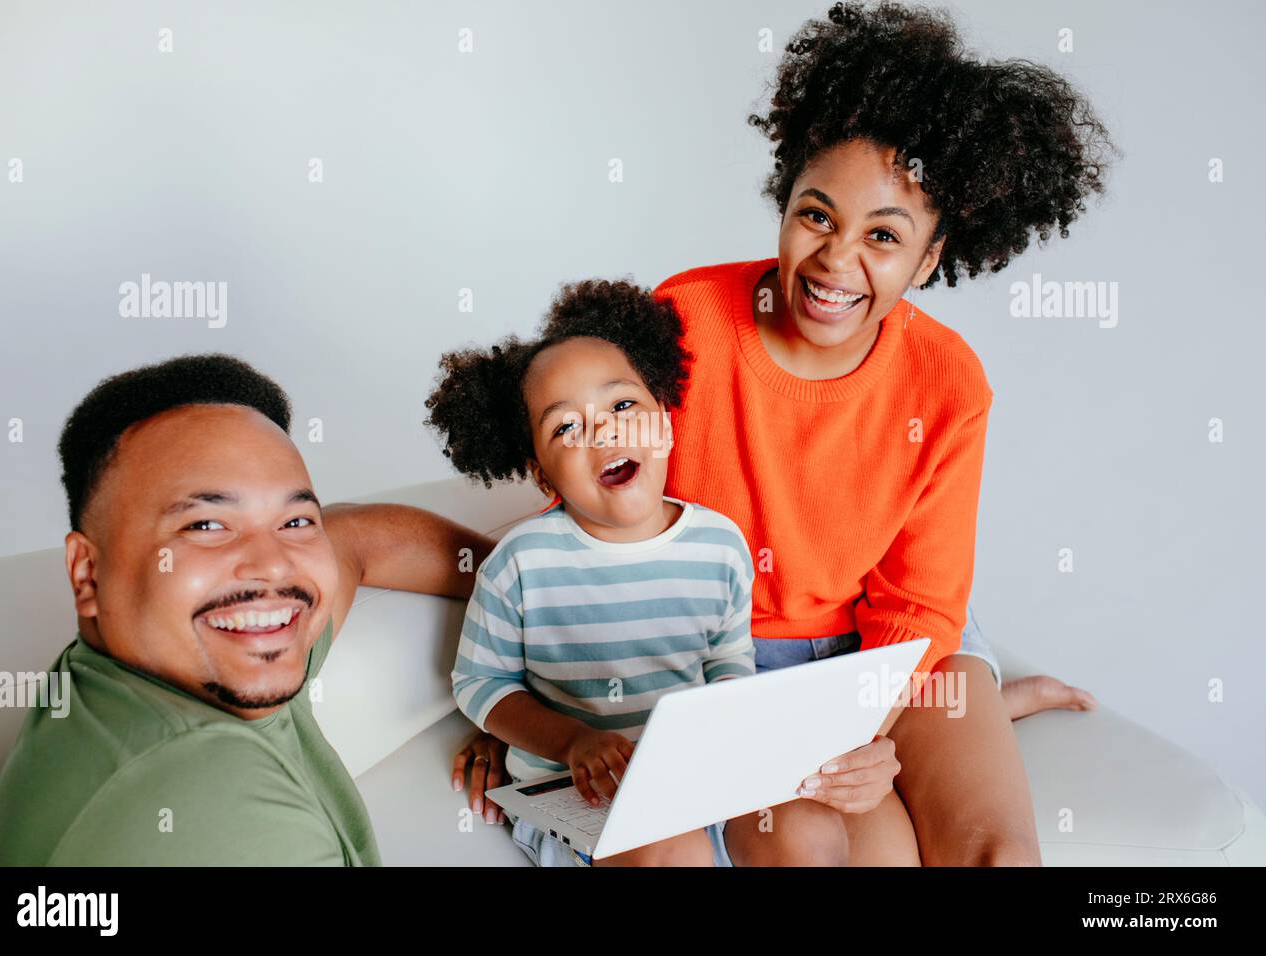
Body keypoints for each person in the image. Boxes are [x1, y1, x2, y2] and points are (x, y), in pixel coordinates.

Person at [453, 1, 1109, 865]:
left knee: (995, 854)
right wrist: (549, 719)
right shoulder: (686, 319)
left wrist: (866, 730)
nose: (838, 262)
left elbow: (919, 602)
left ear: (931, 257)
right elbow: (595, 518)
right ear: (785, 200)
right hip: (726, 656)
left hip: (886, 650)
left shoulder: (949, 380)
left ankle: (993, 697)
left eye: (884, 236)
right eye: (816, 215)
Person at [0, 354, 493, 865]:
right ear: (88, 573)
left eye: (293, 522)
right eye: (205, 526)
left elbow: (356, 535)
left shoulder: (204, 652)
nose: (273, 566)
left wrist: (546, 613)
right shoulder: (212, 810)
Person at [427, 280, 755, 866]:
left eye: (622, 406)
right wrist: (573, 741)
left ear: (666, 423)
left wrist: (730, 729)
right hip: (577, 801)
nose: (603, 431)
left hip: (692, 787)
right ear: (543, 477)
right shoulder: (521, 563)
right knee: (675, 853)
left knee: (807, 830)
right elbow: (481, 684)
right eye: (566, 428)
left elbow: (728, 660)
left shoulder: (721, 544)